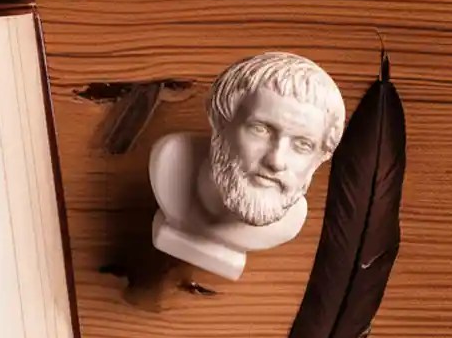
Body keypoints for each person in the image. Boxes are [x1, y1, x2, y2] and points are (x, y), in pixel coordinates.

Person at [148, 52, 345, 280]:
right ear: (220, 120)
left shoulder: (291, 222)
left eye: (302, 145)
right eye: (261, 129)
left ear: (321, 158)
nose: (276, 161)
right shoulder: (170, 161)